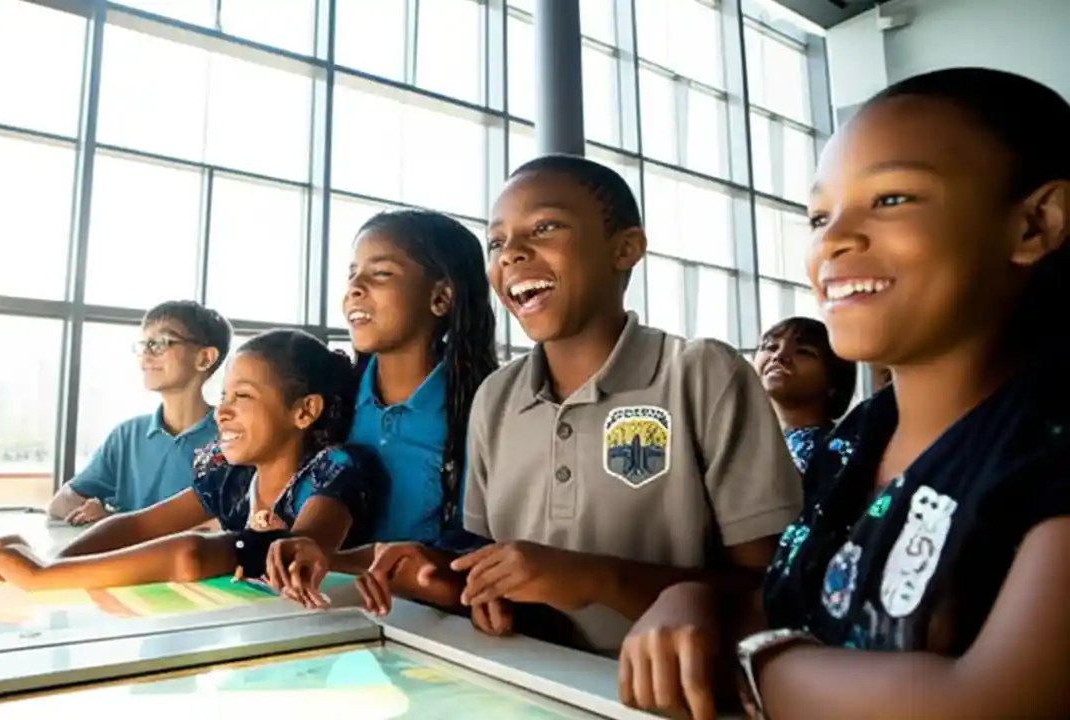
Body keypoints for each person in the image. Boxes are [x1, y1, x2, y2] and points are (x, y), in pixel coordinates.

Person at [623, 68, 1070, 720]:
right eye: (818, 215)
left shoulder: (1050, 436)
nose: (832, 239)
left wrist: (750, 660)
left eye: (891, 199)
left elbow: (994, 702)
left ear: (1035, 224)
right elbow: (798, 601)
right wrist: (692, 602)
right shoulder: (857, 438)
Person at [327, 156, 802, 660]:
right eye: (497, 242)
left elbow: (773, 592)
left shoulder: (702, 375)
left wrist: (596, 577)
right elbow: (495, 569)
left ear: (625, 248)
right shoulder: (497, 398)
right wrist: (442, 572)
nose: (512, 254)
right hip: (524, 682)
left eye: (545, 227)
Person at [0, 329, 370, 590]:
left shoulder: (333, 471)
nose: (222, 412)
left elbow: (196, 556)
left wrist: (42, 577)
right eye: (225, 396)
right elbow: (137, 525)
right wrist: (50, 562)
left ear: (304, 411)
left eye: (243, 396)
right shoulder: (231, 479)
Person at [261, 210, 506, 628]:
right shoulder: (332, 400)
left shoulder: (488, 407)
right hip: (321, 614)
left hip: (440, 629)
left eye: (380, 274)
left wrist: (339, 562)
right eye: (352, 274)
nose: (355, 289)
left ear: (440, 298)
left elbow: (477, 551)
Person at [49, 301, 231, 525]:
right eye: (143, 345)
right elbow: (63, 501)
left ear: (204, 358)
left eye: (160, 344)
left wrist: (119, 523)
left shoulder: (229, 438)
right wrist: (96, 518)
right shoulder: (127, 435)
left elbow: (216, 528)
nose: (145, 356)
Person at [753, 316, 856, 474]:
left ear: (834, 380)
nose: (779, 356)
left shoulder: (839, 450)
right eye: (771, 347)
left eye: (803, 352)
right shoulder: (747, 440)